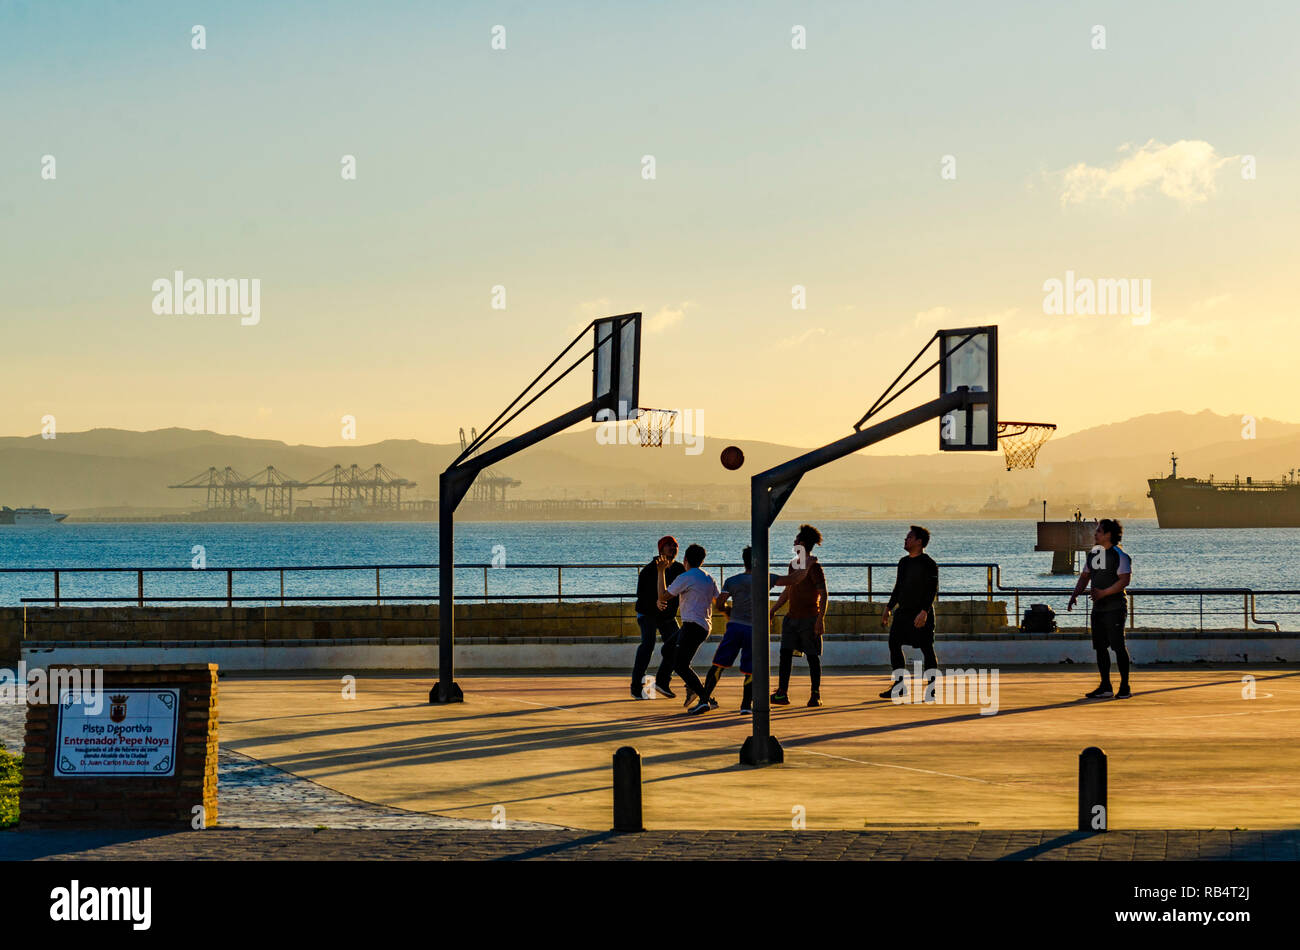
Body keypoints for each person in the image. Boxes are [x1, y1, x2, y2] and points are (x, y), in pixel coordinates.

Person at [700, 546, 787, 714]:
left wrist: (728, 610)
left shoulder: (732, 581)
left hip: (735, 627)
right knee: (751, 668)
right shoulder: (767, 579)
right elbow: (794, 579)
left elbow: (719, 603)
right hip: (754, 630)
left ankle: (704, 700)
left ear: (744, 561)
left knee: (718, 664)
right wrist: (803, 559)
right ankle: (746, 705)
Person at [1068, 518, 1132, 699]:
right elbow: (1085, 577)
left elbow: (1124, 580)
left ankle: (1125, 687)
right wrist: (1074, 595)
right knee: (1100, 648)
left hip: (1115, 608)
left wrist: (1104, 593)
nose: (1095, 534)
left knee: (1118, 647)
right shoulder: (1094, 555)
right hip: (1099, 610)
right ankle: (1106, 686)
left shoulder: (1119, 555)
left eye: (1098, 531)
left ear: (1108, 535)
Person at [655, 544, 720, 714]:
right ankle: (696, 691)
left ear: (685, 560)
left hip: (692, 626)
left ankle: (705, 699)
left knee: (680, 665)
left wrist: (661, 571)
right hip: (702, 626)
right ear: (702, 561)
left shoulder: (686, 577)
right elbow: (718, 602)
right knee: (668, 650)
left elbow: (663, 596)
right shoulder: (709, 578)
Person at [769, 524, 828, 708]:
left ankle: (815, 695)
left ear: (802, 543)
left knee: (812, 656)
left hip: (809, 618)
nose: (793, 542)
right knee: (785, 654)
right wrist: (774, 609)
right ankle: (782, 692)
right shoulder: (793, 564)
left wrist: (820, 619)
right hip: (791, 618)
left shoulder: (814, 567)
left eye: (796, 540)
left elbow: (823, 593)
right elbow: (788, 589)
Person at [879, 526, 939, 700]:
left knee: (927, 649)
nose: (905, 540)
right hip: (903, 613)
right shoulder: (903, 562)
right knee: (894, 644)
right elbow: (898, 587)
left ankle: (932, 688)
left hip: (921, 613)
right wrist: (888, 608)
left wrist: (924, 612)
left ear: (919, 542)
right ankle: (899, 686)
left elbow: (932, 590)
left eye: (909, 538)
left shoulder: (929, 563)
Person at [631, 536, 685, 699]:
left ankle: (662, 682)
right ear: (660, 549)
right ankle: (636, 687)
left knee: (677, 646)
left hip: (667, 616)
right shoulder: (649, 570)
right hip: (647, 613)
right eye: (668, 546)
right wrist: (655, 602)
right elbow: (641, 595)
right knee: (648, 645)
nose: (672, 548)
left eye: (675, 546)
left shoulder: (679, 569)